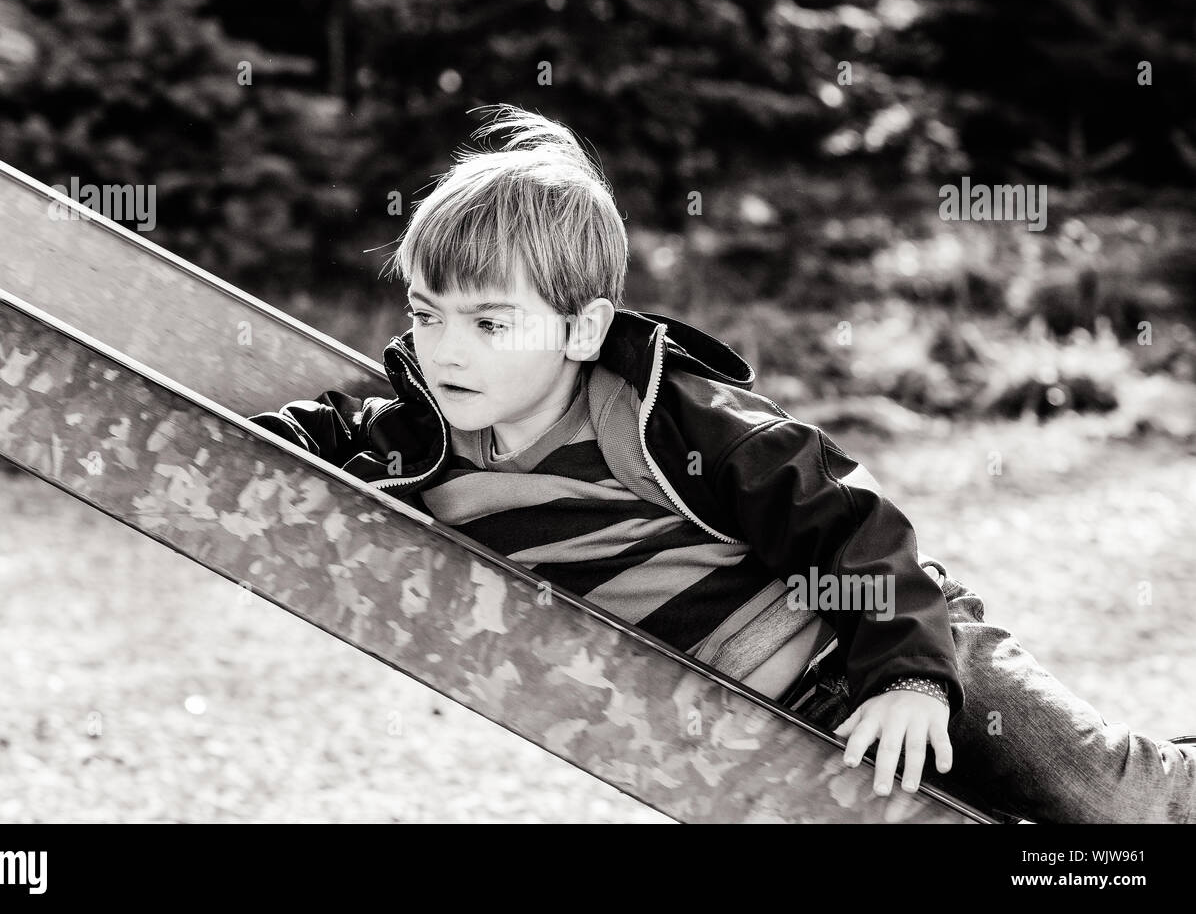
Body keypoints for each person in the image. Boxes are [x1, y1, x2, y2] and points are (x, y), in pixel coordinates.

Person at [248, 104, 1196, 823]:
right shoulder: (417, 436)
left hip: (894, 652)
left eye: (489, 322)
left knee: (1113, 801)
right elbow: (311, 428)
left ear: (583, 328)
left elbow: (850, 518)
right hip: (787, 737)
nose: (444, 349)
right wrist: (259, 447)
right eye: (425, 312)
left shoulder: (668, 415)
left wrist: (908, 675)